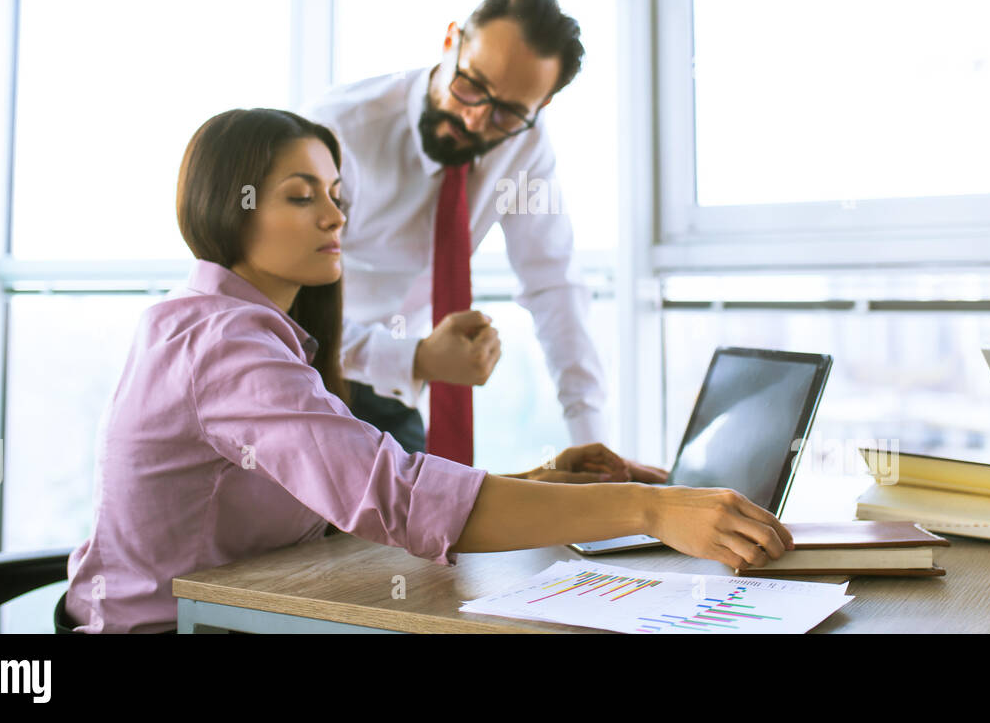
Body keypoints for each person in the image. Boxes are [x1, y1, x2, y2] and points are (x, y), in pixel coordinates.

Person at [57, 109, 792, 633]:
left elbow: (348, 491)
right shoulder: (221, 342)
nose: (334, 216)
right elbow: (394, 498)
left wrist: (538, 482)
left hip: (237, 610)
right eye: (300, 195)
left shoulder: (239, 330)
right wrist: (649, 507)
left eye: (337, 194)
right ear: (229, 207)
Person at [303, 0, 641, 470]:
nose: (475, 118)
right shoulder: (340, 132)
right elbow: (282, 306)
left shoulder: (524, 146)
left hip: (392, 392)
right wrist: (415, 358)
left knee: (435, 532)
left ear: (540, 107)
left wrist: (593, 440)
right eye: (471, 84)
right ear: (450, 42)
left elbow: (553, 286)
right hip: (310, 378)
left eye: (506, 112)